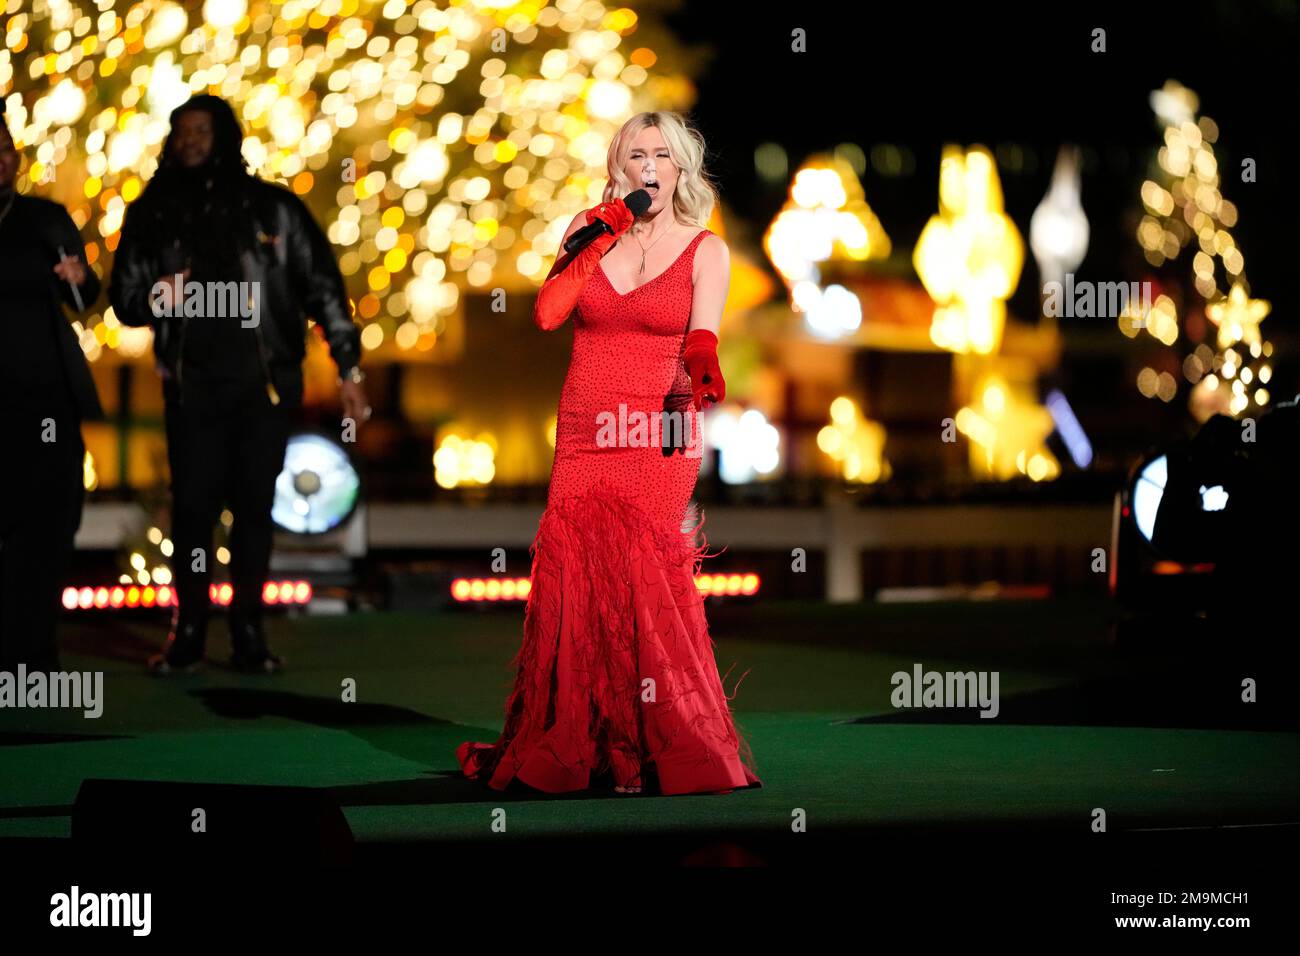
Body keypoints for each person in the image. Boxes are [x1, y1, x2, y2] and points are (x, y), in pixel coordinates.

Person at [456, 111, 761, 796]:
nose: (647, 165)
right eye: (634, 154)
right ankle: (585, 745)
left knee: (641, 578)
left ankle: (647, 749)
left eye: (660, 154)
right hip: (586, 428)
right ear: (618, 168)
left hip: (659, 427)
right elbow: (548, 313)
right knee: (580, 580)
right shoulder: (587, 230)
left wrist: (705, 373)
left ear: (680, 167)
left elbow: (701, 336)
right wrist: (604, 233)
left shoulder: (705, 249)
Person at [110, 95, 368, 675]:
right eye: (183, 131)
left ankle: (248, 632)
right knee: (194, 513)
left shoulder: (275, 211)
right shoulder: (153, 210)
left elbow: (324, 289)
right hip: (192, 389)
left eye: (203, 130)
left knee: (254, 510)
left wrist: (349, 368)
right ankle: (190, 631)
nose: (192, 140)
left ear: (225, 137)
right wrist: (158, 297)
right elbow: (122, 298)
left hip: (264, 389)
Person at [0, 104, 104, 671]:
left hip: (44, 400)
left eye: (5, 150)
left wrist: (81, 279)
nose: (0, 161)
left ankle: (31, 652)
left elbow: (86, 299)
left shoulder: (44, 218)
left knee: (48, 522)